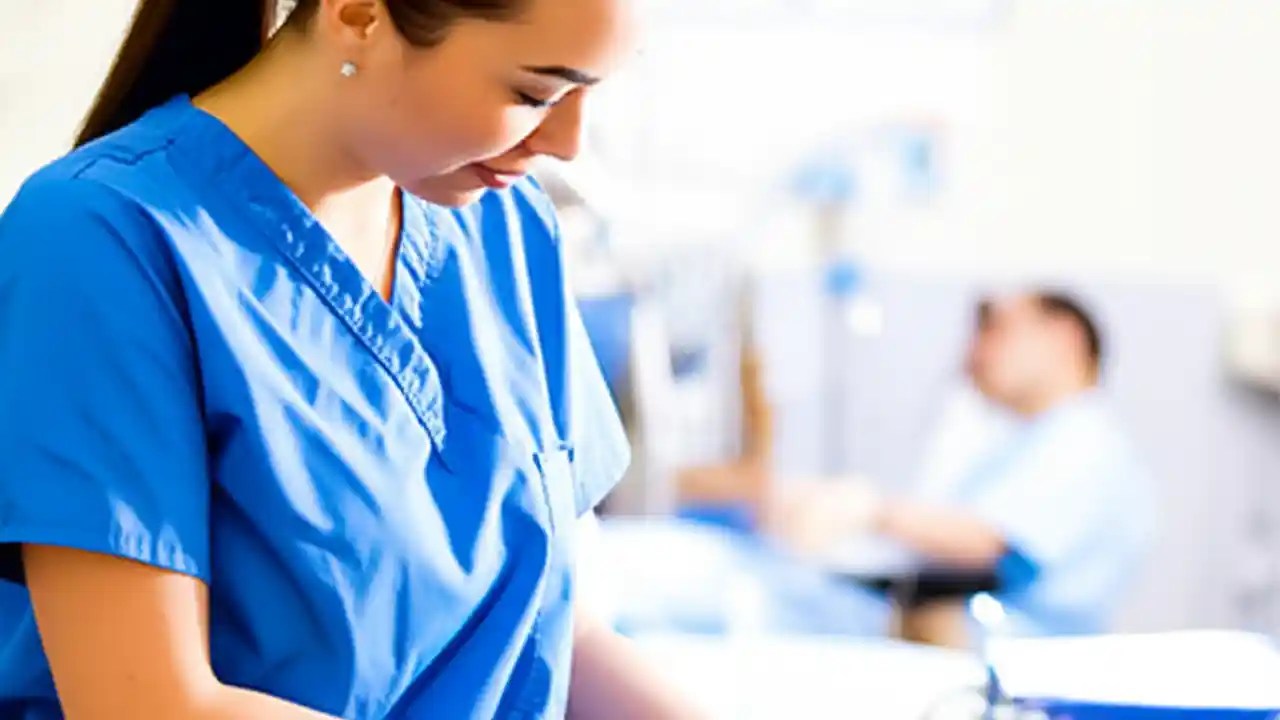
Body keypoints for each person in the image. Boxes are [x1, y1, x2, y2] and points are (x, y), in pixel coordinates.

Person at [0, 1, 701, 718]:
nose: (568, 142)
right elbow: (146, 703)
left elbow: (559, 635)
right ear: (360, 14)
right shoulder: (99, 240)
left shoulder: (510, 229)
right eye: (534, 94)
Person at [872, 291, 1156, 637]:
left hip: (1025, 662)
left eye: (997, 331)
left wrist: (871, 510)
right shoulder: (1020, 442)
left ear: (1064, 337)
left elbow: (986, 542)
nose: (976, 353)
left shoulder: (1084, 444)